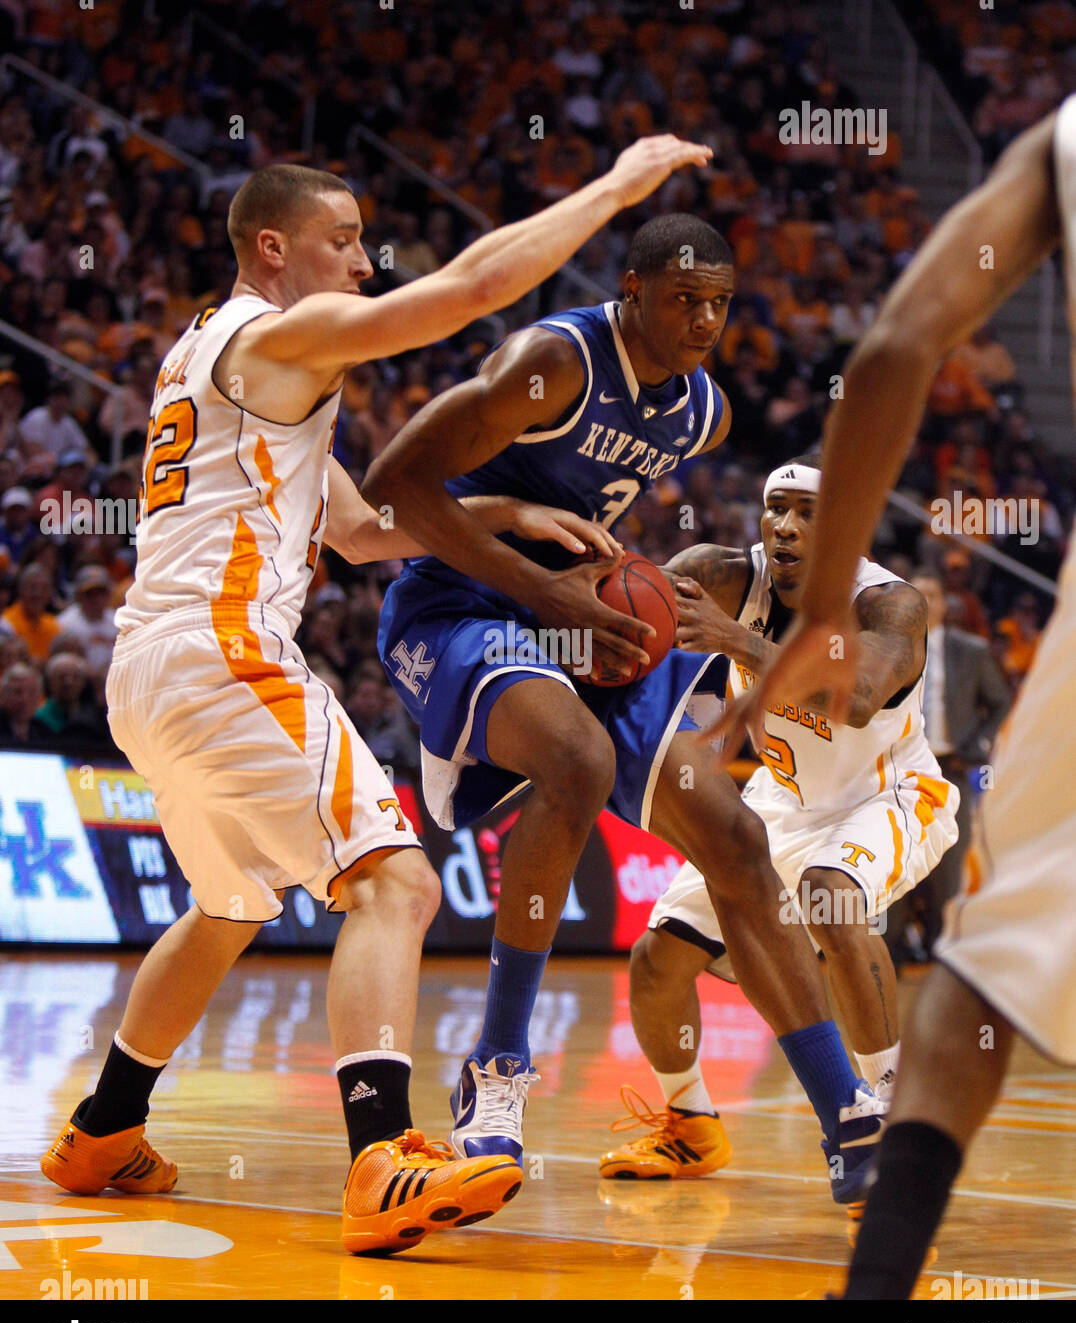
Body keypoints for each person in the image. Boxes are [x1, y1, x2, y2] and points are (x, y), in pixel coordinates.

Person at [39, 140, 716, 1257]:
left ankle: (104, 1129)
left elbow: (358, 533)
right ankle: (380, 1157)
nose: (364, 261)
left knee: (228, 907)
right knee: (394, 882)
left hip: (151, 671)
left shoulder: (214, 360)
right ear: (273, 248)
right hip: (223, 653)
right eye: (343, 240)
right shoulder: (270, 333)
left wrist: (508, 516)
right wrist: (614, 188)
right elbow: (469, 295)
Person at [364, 214, 887, 1209]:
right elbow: (393, 491)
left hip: (576, 615)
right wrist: (541, 583)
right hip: (456, 602)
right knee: (574, 763)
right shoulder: (549, 365)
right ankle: (499, 1066)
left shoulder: (702, 413)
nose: (702, 320)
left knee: (733, 837)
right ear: (633, 290)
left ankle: (847, 1119)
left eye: (718, 304)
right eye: (683, 298)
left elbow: (592, 513)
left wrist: (615, 591)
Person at [713, 102, 1073, 1299]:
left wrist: (811, 610)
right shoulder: (727, 566)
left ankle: (878, 1288)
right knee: (714, 943)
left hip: (879, 792)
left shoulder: (1062, 137)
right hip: (801, 805)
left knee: (976, 964)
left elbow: (890, 354)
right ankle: (746, 1117)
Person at [600, 460, 958, 1204]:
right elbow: (628, 618)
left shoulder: (890, 604)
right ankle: (690, 1123)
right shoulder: (721, 575)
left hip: (887, 793)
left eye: (807, 513)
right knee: (656, 962)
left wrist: (737, 642)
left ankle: (886, 1111)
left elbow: (856, 699)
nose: (787, 527)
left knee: (833, 898)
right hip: (779, 798)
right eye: (775, 510)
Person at [884, 572, 1010, 956]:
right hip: (896, 773)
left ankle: (946, 967)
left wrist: (975, 744)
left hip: (950, 769)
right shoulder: (883, 649)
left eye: (933, 594)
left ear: (944, 603)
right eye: (917, 593)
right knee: (894, 872)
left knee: (947, 875)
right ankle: (889, 966)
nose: (926, 600)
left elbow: (1001, 701)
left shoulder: (970, 650)